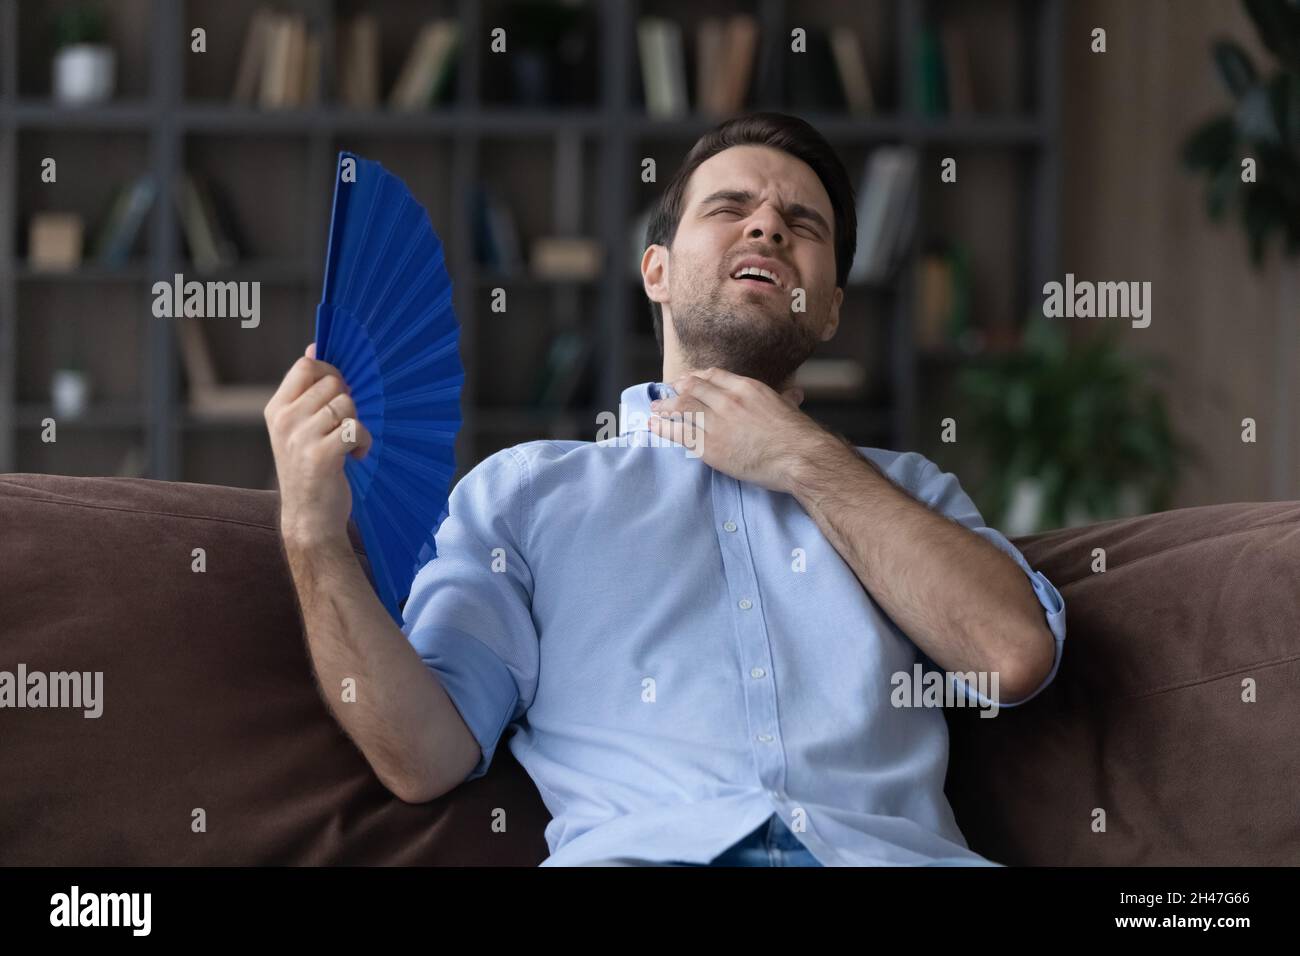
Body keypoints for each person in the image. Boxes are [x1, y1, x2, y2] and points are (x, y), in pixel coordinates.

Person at [264, 112, 1066, 867]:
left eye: (803, 223)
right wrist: (312, 535)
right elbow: (422, 757)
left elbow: (1013, 655)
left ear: (829, 311)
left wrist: (800, 459)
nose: (768, 226)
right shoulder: (526, 492)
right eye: (730, 207)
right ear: (657, 272)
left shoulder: (909, 490)